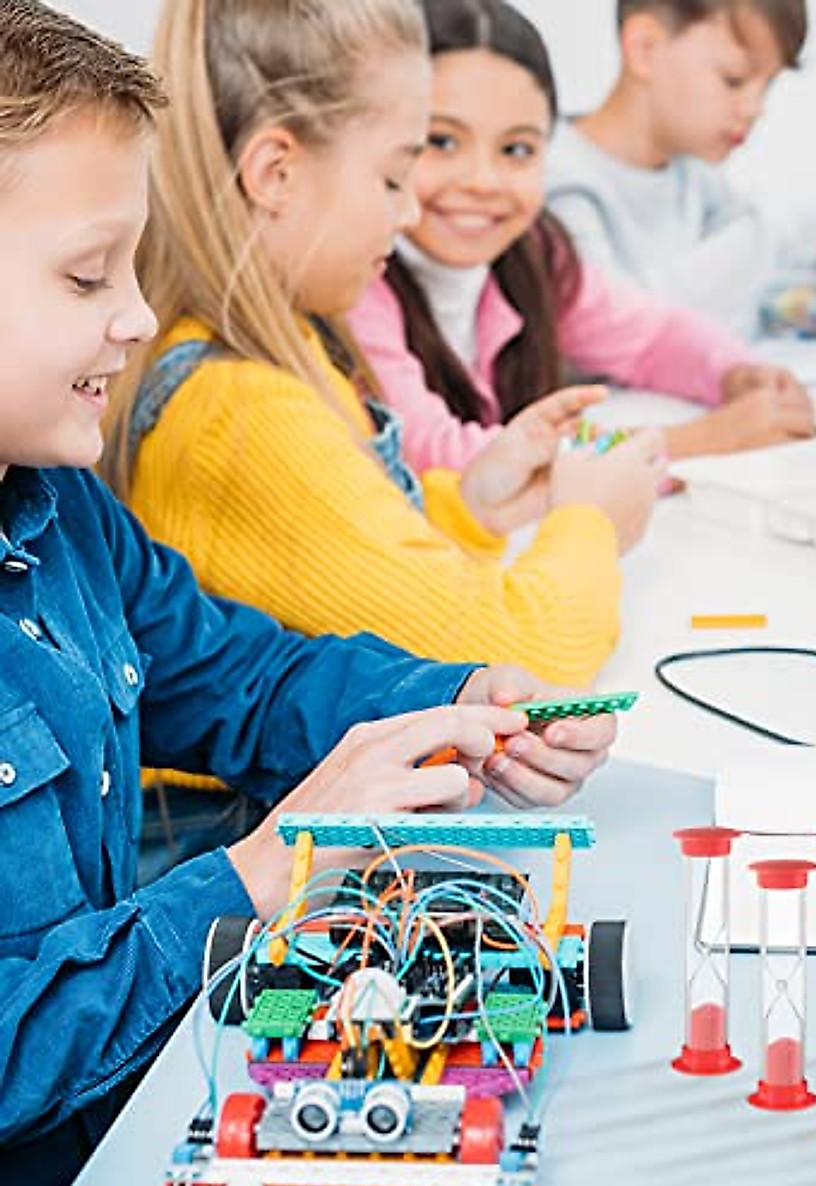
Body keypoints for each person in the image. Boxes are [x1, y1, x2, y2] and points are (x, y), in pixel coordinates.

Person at [0, 4, 615, 1186]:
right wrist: (258, 876)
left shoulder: (61, 509)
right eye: (87, 275)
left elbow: (243, 675)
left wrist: (455, 699)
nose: (133, 314)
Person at [105, 0, 666, 694]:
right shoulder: (242, 414)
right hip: (242, 806)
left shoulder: (287, 344)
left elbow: (346, 546)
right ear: (276, 172)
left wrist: (474, 506)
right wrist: (593, 523)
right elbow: (521, 659)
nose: (408, 213)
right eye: (394, 176)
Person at [348, 0, 816, 473]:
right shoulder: (357, 283)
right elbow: (432, 456)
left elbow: (652, 337)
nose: (483, 181)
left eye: (517, 149)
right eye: (442, 142)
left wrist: (737, 374)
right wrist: (699, 441)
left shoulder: (533, 255)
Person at [546, 0, 816, 336]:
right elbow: (619, 329)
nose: (755, 108)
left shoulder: (693, 176)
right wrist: (814, 221)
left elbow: (746, 280)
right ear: (645, 48)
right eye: (734, 80)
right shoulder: (555, 179)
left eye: (767, 85)